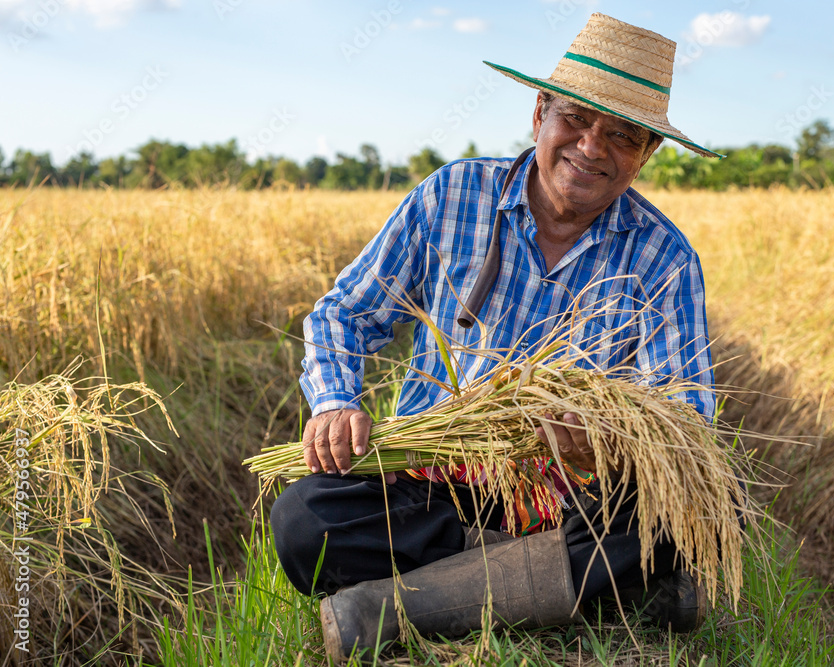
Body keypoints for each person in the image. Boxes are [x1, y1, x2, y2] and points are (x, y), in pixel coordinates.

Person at [269, 12, 725, 663]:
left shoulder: (664, 258)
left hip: (570, 494)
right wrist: (336, 400)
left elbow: (687, 419)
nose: (592, 147)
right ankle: (556, 582)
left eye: (622, 135)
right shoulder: (451, 195)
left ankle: (398, 606)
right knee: (304, 520)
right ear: (539, 111)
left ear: (646, 154)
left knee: (698, 514)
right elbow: (347, 312)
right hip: (432, 482)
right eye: (576, 118)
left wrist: (609, 443)